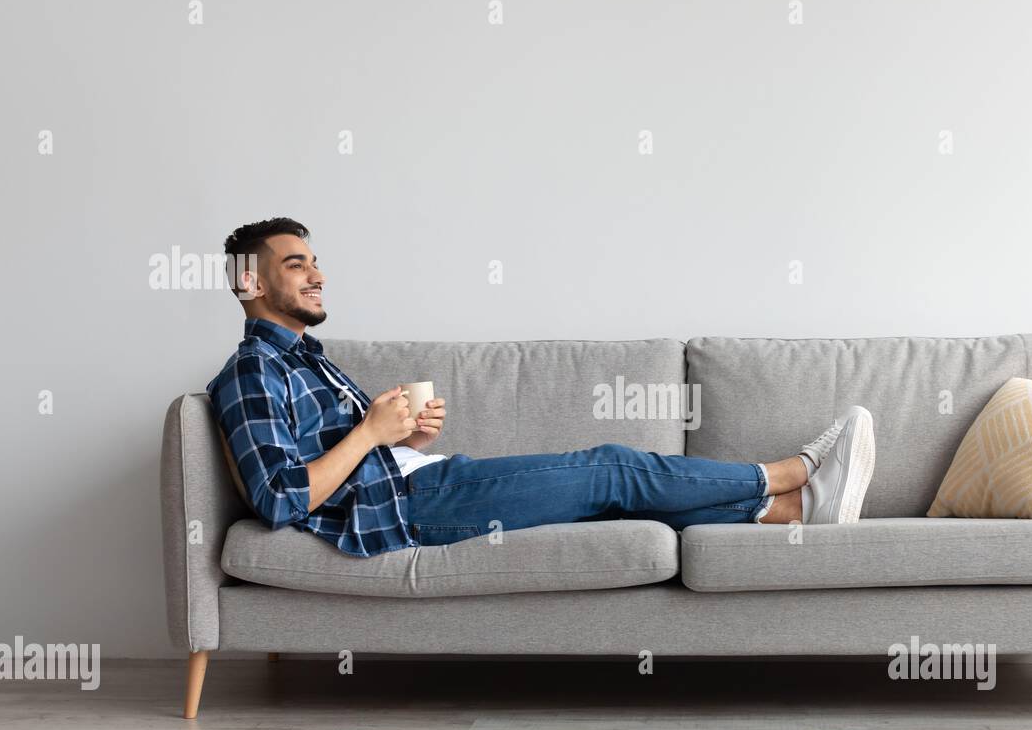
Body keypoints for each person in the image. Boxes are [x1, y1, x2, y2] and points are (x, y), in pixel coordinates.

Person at [207, 218, 875, 556]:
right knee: (612, 469)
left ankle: (790, 513)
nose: (317, 274)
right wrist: (370, 433)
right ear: (253, 283)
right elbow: (279, 497)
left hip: (426, 479)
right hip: (413, 505)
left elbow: (341, 459)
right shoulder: (251, 374)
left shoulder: (307, 358)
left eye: (316, 261)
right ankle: (788, 474)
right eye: (297, 265)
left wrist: (399, 434)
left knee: (618, 496)